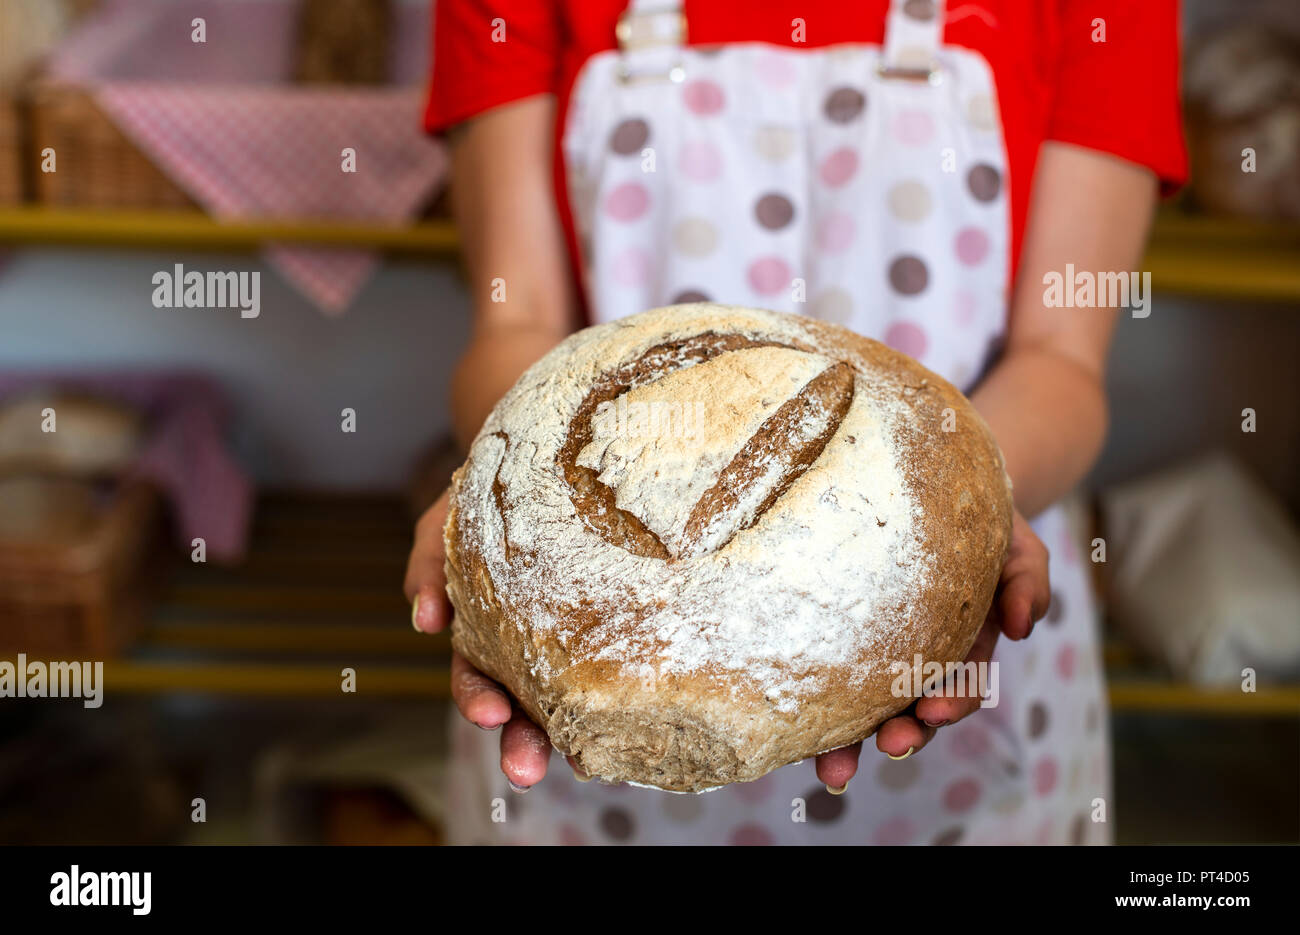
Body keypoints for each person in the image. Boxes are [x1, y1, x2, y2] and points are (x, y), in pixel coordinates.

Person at [405, 0, 1187, 845]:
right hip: (587, 669)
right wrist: (502, 492)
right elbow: (512, 323)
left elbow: (1063, 357)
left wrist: (972, 520)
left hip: (953, 639)